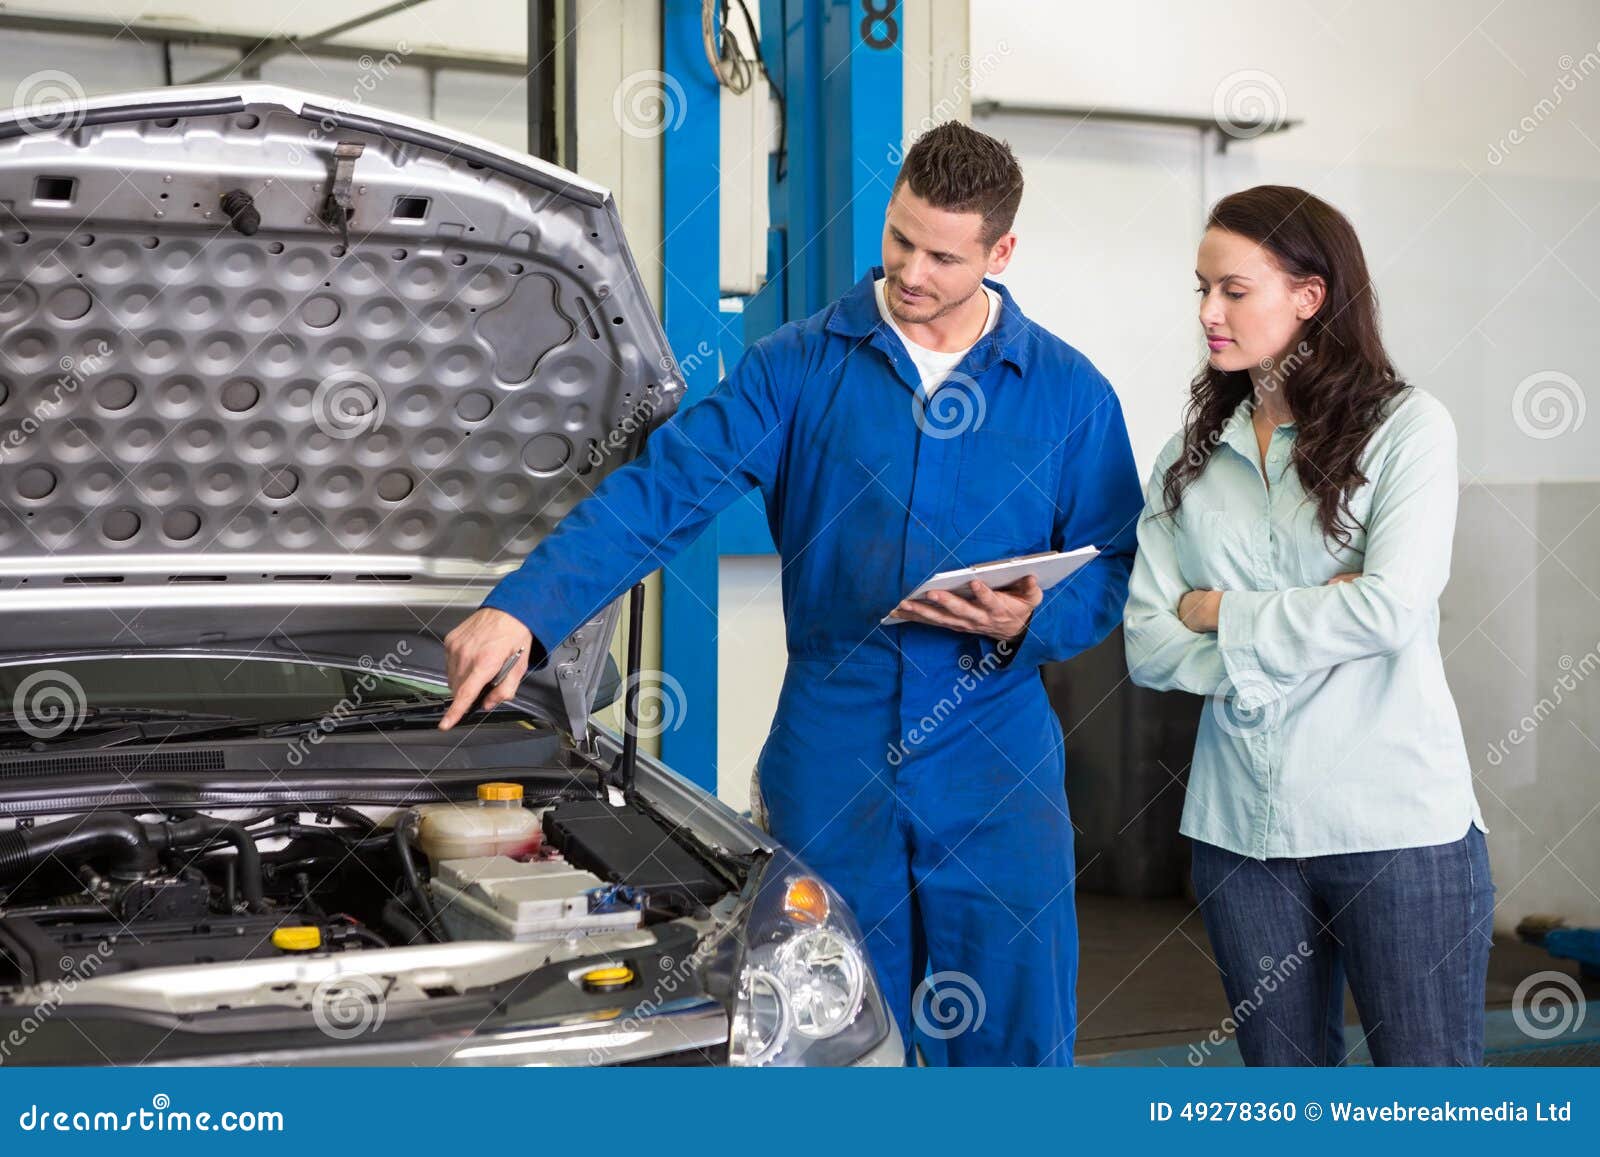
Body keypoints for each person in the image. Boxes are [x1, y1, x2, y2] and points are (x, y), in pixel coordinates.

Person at [440, 121, 1143, 1065]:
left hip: (997, 757)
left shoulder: (1070, 394)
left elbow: (1114, 563)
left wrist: (1035, 615)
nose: (911, 271)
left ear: (1001, 252)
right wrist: (525, 606)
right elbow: (665, 490)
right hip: (834, 742)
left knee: (1015, 1038)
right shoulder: (798, 365)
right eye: (900, 239)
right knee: (824, 1029)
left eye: (942, 255)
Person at [1124, 185, 1494, 1066]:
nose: (1208, 312)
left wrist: (1223, 616)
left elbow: (1394, 606)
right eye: (1200, 289)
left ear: (1310, 295)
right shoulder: (1189, 461)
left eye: (1234, 290)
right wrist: (1321, 621)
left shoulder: (1407, 430)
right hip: (1240, 835)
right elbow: (1146, 642)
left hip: (1395, 825)